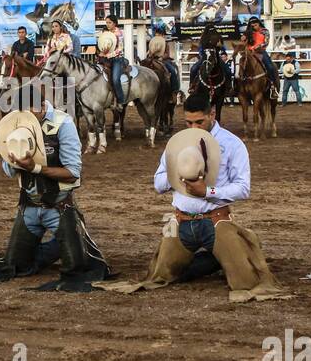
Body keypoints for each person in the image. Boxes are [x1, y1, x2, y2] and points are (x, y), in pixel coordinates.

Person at [96, 93, 285, 302]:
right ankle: (218, 258)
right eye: (188, 122)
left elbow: (243, 188)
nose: (193, 128)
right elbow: (158, 185)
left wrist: (207, 192)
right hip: (178, 219)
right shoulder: (177, 143)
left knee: (247, 281)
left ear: (212, 114)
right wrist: (177, 171)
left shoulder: (232, 144)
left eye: (199, 122)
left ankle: (226, 252)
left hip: (216, 219)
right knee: (159, 275)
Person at [0, 80, 110, 291]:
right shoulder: (19, 123)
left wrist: (34, 167)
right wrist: (12, 159)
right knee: (15, 265)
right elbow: (8, 171)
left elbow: (73, 174)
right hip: (29, 205)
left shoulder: (63, 123)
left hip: (59, 206)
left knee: (76, 267)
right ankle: (62, 244)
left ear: (39, 107)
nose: (23, 116)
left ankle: (68, 242)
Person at [98, 16, 130, 107]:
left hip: (117, 59)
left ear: (114, 23)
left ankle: (121, 100)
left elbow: (120, 49)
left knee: (115, 79)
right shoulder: (105, 33)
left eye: (109, 22)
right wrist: (102, 52)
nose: (107, 24)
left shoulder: (119, 33)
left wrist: (107, 55)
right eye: (107, 22)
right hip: (105, 58)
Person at [145, 25, 180, 98]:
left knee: (172, 70)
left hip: (163, 60)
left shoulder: (165, 43)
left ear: (162, 35)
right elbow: (149, 51)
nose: (157, 35)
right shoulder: (152, 42)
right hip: (152, 59)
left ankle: (174, 91)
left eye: (159, 34)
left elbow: (167, 54)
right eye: (157, 34)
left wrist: (162, 57)